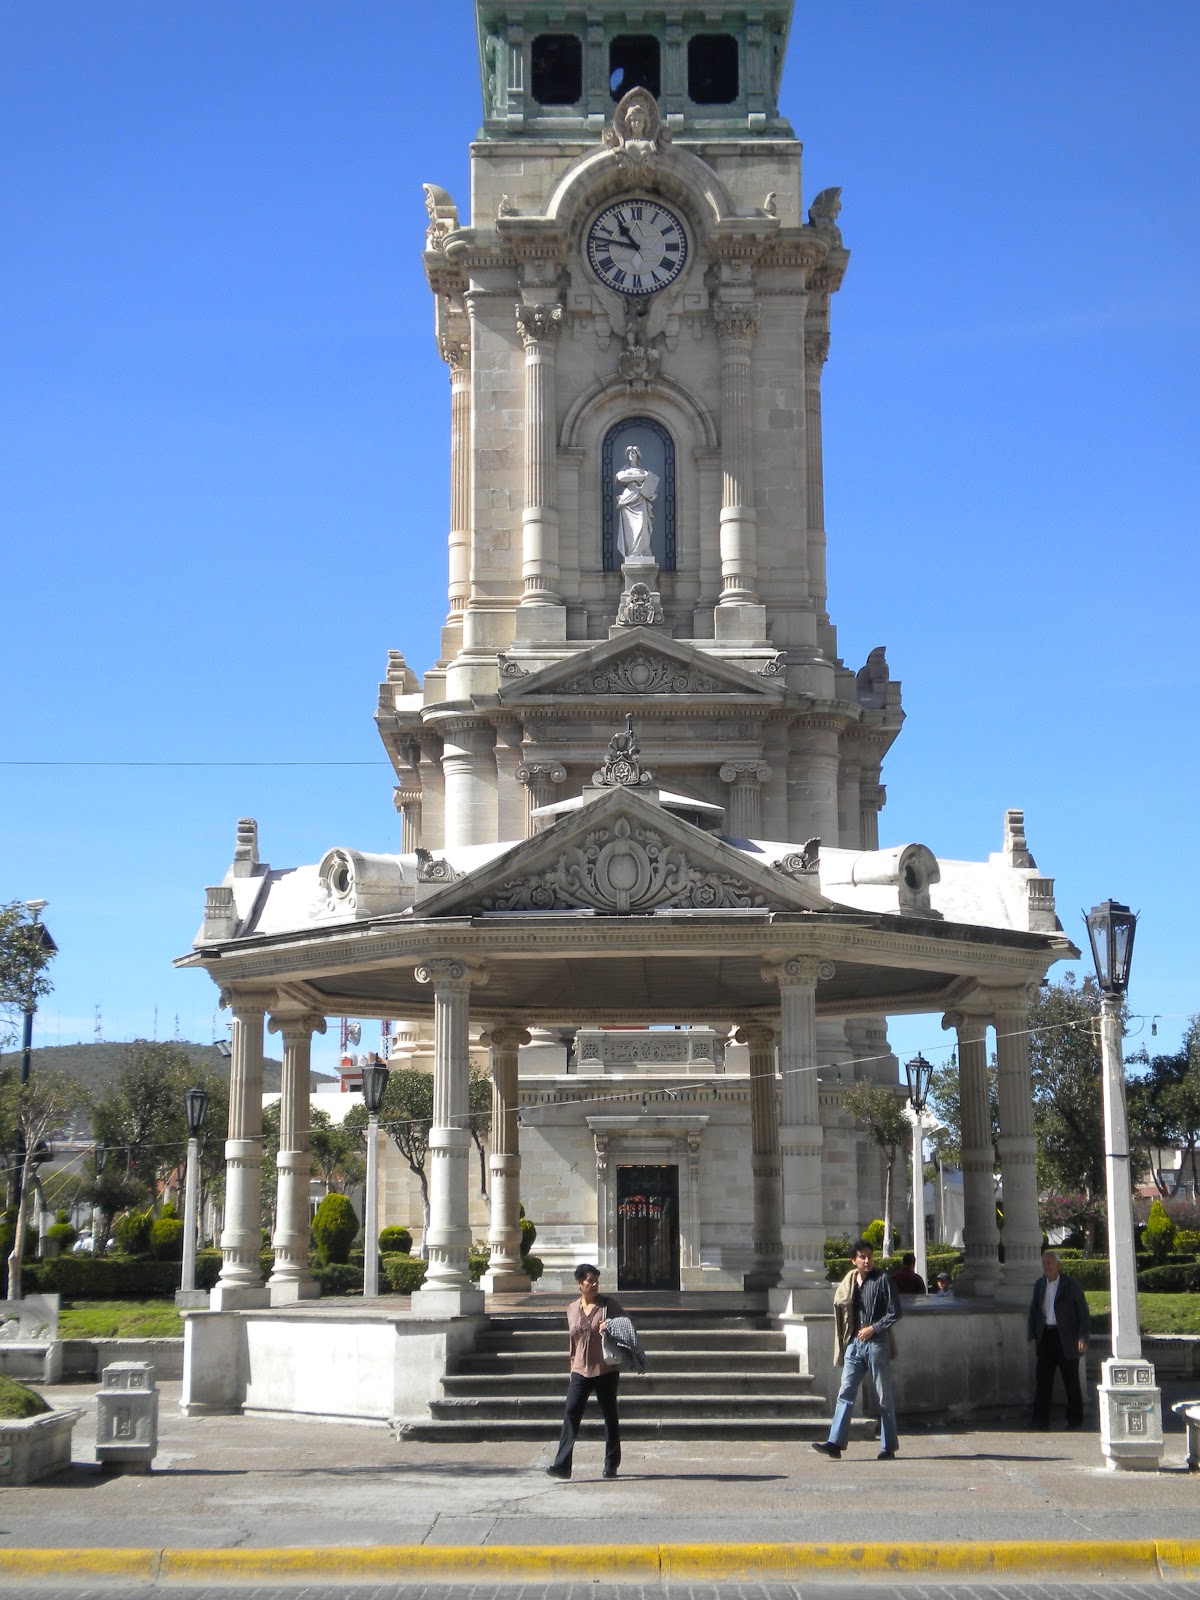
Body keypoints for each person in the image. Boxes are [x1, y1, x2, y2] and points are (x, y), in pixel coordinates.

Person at [812, 1239, 901, 1461]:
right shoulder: (850, 1281)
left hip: (876, 1343)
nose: (867, 1260)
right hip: (854, 1344)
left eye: (869, 1255)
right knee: (845, 1392)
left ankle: (888, 1446)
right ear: (854, 1260)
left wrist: (873, 1328)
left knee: (884, 1397)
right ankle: (835, 1443)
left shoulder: (882, 1279)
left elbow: (895, 1312)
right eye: (862, 1256)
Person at [546, 1262, 623, 1480]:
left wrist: (611, 1327)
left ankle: (611, 1464)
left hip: (605, 1369)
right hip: (580, 1370)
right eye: (590, 1281)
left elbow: (628, 1325)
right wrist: (572, 1367)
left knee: (610, 1416)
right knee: (571, 1413)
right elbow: (572, 1341)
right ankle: (562, 1465)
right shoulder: (572, 1309)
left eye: (596, 1280)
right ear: (579, 1284)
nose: (594, 1284)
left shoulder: (608, 1305)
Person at [1027, 1249, 1090, 1430]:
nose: (1046, 1266)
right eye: (1044, 1263)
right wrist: (1032, 1335)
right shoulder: (1040, 1285)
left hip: (1066, 1338)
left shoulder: (1071, 1285)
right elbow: (1034, 1311)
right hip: (1046, 1336)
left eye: (1049, 1263)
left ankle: (1075, 1421)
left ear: (1058, 1265)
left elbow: (1083, 1313)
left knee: (1071, 1380)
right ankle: (1040, 1420)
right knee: (1043, 1381)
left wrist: (1082, 1336)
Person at [615, 444, 658, 561]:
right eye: (629, 453)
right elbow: (620, 478)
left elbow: (652, 484)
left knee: (642, 525)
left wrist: (634, 477)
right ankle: (633, 554)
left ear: (638, 455)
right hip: (628, 501)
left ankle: (642, 552)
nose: (631, 455)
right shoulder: (624, 470)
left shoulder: (644, 471)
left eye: (633, 453)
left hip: (641, 499)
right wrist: (638, 477)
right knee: (631, 530)